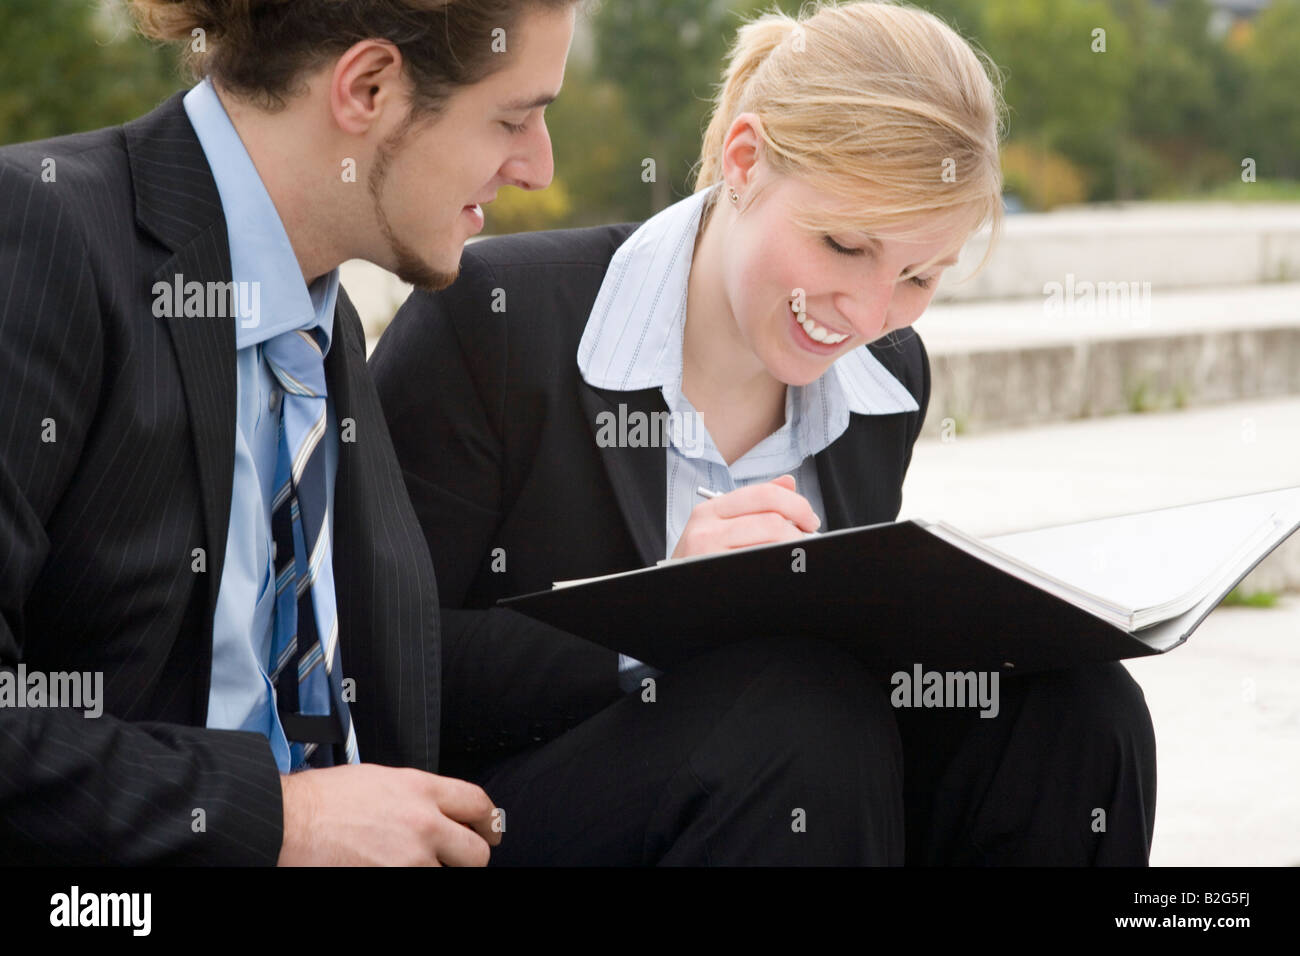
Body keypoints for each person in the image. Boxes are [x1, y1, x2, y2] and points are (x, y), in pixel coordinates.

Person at [373, 0, 1158, 865]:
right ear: (744, 161)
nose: (866, 313)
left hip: (799, 797)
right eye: (844, 245)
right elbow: (384, 665)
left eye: (918, 275)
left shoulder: (890, 373)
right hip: (519, 812)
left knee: (1079, 710)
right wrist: (656, 608)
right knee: (796, 714)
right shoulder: (495, 318)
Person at [0, 0, 587, 865]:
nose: (538, 166)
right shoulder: (40, 233)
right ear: (369, 87)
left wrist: (671, 605)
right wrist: (284, 822)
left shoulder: (324, 326)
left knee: (776, 733)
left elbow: (408, 688)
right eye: (513, 117)